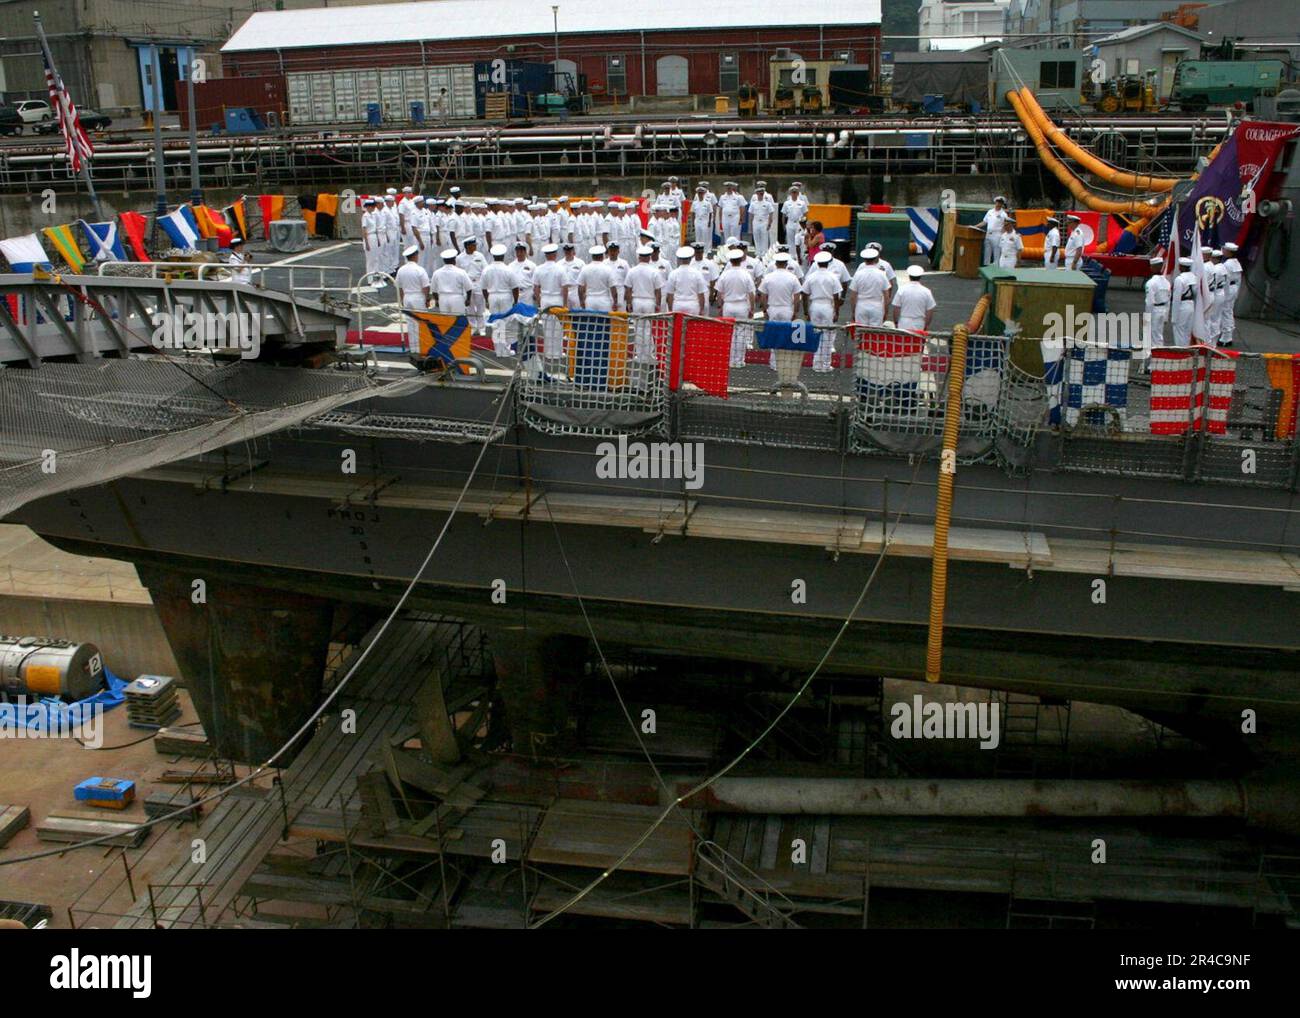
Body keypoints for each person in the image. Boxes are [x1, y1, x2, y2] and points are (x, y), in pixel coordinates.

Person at [758, 250, 803, 381]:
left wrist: (765, 310)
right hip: (786, 309)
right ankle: (783, 363)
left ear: (776, 263)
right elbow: (797, 297)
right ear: (786, 263)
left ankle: (773, 362)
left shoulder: (768, 277)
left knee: (773, 335)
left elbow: (763, 295)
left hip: (773, 308)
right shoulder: (792, 277)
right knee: (785, 336)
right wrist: (795, 311)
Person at [802, 249, 842, 372]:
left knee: (816, 335)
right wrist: (836, 311)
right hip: (827, 306)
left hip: (814, 305)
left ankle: (816, 363)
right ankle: (825, 365)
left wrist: (806, 311)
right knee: (828, 336)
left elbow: (804, 294)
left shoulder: (811, 276)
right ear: (828, 263)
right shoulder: (833, 277)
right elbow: (836, 296)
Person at [717, 247, 757, 367]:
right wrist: (752, 309)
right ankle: (739, 361)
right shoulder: (746, 274)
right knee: (741, 334)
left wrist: (720, 306)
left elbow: (719, 293)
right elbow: (751, 293)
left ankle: (729, 360)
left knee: (729, 333)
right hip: (742, 306)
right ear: (741, 260)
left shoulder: (725, 274)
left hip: (728, 305)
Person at [626, 244, 664, 363]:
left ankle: (639, 355)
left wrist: (629, 303)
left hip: (636, 300)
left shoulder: (632, 271)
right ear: (649, 257)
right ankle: (649, 355)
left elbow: (628, 289)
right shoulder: (654, 271)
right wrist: (658, 304)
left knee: (638, 328)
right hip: (649, 301)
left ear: (639, 257)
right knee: (648, 329)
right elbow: (658, 290)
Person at [481, 244, 520, 355]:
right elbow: (515, 287)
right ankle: (506, 349)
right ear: (503, 256)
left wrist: (487, 300)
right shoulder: (508, 269)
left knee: (496, 323)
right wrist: (515, 301)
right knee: (506, 323)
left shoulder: (486, 270)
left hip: (492, 296)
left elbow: (483, 288)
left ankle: (498, 350)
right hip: (505, 297)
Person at [532, 243, 568, 358]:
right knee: (558, 328)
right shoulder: (560, 268)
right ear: (555, 254)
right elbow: (565, 287)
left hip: (545, 299)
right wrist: (565, 303)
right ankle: (557, 353)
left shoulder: (538, 269)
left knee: (547, 328)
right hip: (557, 299)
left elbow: (536, 287)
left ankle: (548, 353)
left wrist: (539, 301)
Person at [395, 244, 430, 350]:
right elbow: (426, 287)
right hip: (418, 297)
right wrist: (427, 299)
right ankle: (421, 346)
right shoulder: (419, 270)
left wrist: (402, 299)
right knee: (421, 323)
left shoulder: (401, 270)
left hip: (407, 297)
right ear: (415, 256)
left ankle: (413, 347)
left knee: (410, 323)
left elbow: (399, 287)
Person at [849, 247, 890, 327]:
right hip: (876, 305)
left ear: (864, 260)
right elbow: (886, 296)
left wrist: (853, 311)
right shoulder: (882, 274)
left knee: (861, 332)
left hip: (861, 305)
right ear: (875, 259)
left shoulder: (858, 274)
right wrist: (886, 311)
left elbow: (853, 296)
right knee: (875, 333)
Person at [891, 264, 936, 333]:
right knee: (917, 342)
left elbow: (896, 308)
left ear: (909, 276)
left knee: (903, 342)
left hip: (904, 322)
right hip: (919, 322)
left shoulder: (901, 290)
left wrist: (896, 322)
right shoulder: (926, 291)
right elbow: (930, 310)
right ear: (920, 277)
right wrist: (926, 324)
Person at [665, 245, 708, 315]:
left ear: (679, 259)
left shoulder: (673, 274)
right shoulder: (697, 273)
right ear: (690, 259)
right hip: (692, 305)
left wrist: (670, 309)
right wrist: (702, 309)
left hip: (678, 305)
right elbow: (701, 294)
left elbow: (670, 295)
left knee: (678, 325)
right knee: (691, 325)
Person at [430, 248, 474, 316]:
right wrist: (468, 299)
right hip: (457, 298)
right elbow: (469, 288)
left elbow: (433, 290)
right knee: (458, 321)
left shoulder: (437, 273)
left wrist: (437, 300)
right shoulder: (461, 272)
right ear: (454, 260)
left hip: (443, 298)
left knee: (446, 321)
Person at [457, 236, 488, 329]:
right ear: (467, 246)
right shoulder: (459, 258)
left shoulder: (479, 255)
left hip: (478, 282)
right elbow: (458, 272)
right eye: (473, 245)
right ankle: (473, 326)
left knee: (480, 305)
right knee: (469, 306)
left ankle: (481, 326)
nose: (475, 247)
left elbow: (485, 269)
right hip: (466, 284)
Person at [1144, 255, 1170, 355]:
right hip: (1163, 310)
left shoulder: (1151, 283)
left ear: (1153, 267)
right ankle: (1159, 358)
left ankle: (1153, 364)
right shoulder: (1166, 282)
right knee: (1158, 336)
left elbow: (1149, 302)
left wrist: (1147, 317)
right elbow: (1168, 301)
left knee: (1152, 337)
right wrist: (1166, 317)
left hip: (1154, 311)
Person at [577, 244, 615, 311]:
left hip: (590, 300)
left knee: (591, 320)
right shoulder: (608, 269)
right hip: (604, 300)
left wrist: (581, 301)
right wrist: (615, 302)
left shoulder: (585, 268)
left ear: (592, 256)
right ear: (602, 256)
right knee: (605, 320)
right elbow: (613, 288)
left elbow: (580, 287)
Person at [1171, 256, 1198, 347]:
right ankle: (1186, 349)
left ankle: (1180, 350)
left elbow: (1176, 299)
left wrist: (1174, 316)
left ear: (1182, 267)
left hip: (1182, 306)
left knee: (1179, 330)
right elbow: (1196, 293)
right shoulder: (1194, 277)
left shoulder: (1180, 279)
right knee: (1187, 330)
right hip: (1191, 304)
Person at [1220, 242, 1242, 346]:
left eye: (1225, 249)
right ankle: (1228, 335)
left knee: (1225, 312)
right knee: (1229, 311)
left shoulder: (1227, 264)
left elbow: (1226, 280)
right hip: (1234, 288)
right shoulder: (1236, 263)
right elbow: (1239, 280)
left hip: (1228, 289)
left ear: (1229, 252)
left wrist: (1225, 294)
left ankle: (1226, 337)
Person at [749, 180, 778, 256]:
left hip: (764, 221)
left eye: (762, 191)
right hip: (756, 221)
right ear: (757, 193)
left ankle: (764, 253)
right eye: (759, 192)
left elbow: (771, 210)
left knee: (764, 238)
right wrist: (751, 225)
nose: (761, 194)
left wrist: (769, 222)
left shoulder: (768, 198)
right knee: (756, 237)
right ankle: (758, 253)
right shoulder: (753, 200)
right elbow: (751, 214)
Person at [980, 196, 1009, 266]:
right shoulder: (990, 211)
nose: (998, 204)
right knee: (987, 252)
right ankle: (986, 268)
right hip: (988, 234)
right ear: (995, 202)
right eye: (998, 202)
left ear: (1002, 204)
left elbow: (1006, 225)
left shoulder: (1003, 214)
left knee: (996, 253)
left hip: (997, 235)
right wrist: (974, 226)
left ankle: (996, 269)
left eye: (1000, 203)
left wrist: (1002, 235)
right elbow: (984, 222)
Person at [781, 182, 809, 247]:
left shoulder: (802, 203)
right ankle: (791, 255)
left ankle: (798, 256)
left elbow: (805, 214)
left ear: (797, 193)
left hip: (799, 223)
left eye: (795, 192)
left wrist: (804, 225)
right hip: (790, 222)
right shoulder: (787, 203)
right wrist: (783, 225)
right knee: (790, 241)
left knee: (799, 241)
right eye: (793, 192)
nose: (794, 194)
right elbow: (783, 215)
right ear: (790, 193)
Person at [606, 241, 631, 311]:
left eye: (615, 250)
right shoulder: (604, 263)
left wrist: (627, 294)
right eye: (611, 250)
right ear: (608, 251)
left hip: (620, 292)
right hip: (607, 293)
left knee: (620, 315)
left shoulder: (624, 263)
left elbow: (628, 280)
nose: (613, 253)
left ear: (618, 251)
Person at [560, 242, 585, 309]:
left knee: (576, 313)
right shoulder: (559, 264)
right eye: (566, 251)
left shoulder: (580, 263)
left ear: (573, 251)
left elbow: (584, 280)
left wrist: (584, 294)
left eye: (569, 250)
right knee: (564, 313)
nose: (567, 252)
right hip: (563, 291)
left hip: (575, 290)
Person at [360, 198, 380, 277]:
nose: (374, 208)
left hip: (374, 236)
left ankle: (376, 275)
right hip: (369, 236)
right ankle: (370, 278)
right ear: (368, 207)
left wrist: (378, 239)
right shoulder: (365, 216)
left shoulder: (373, 215)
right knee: (370, 259)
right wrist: (367, 243)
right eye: (373, 206)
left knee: (376, 258)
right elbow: (364, 230)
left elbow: (376, 228)